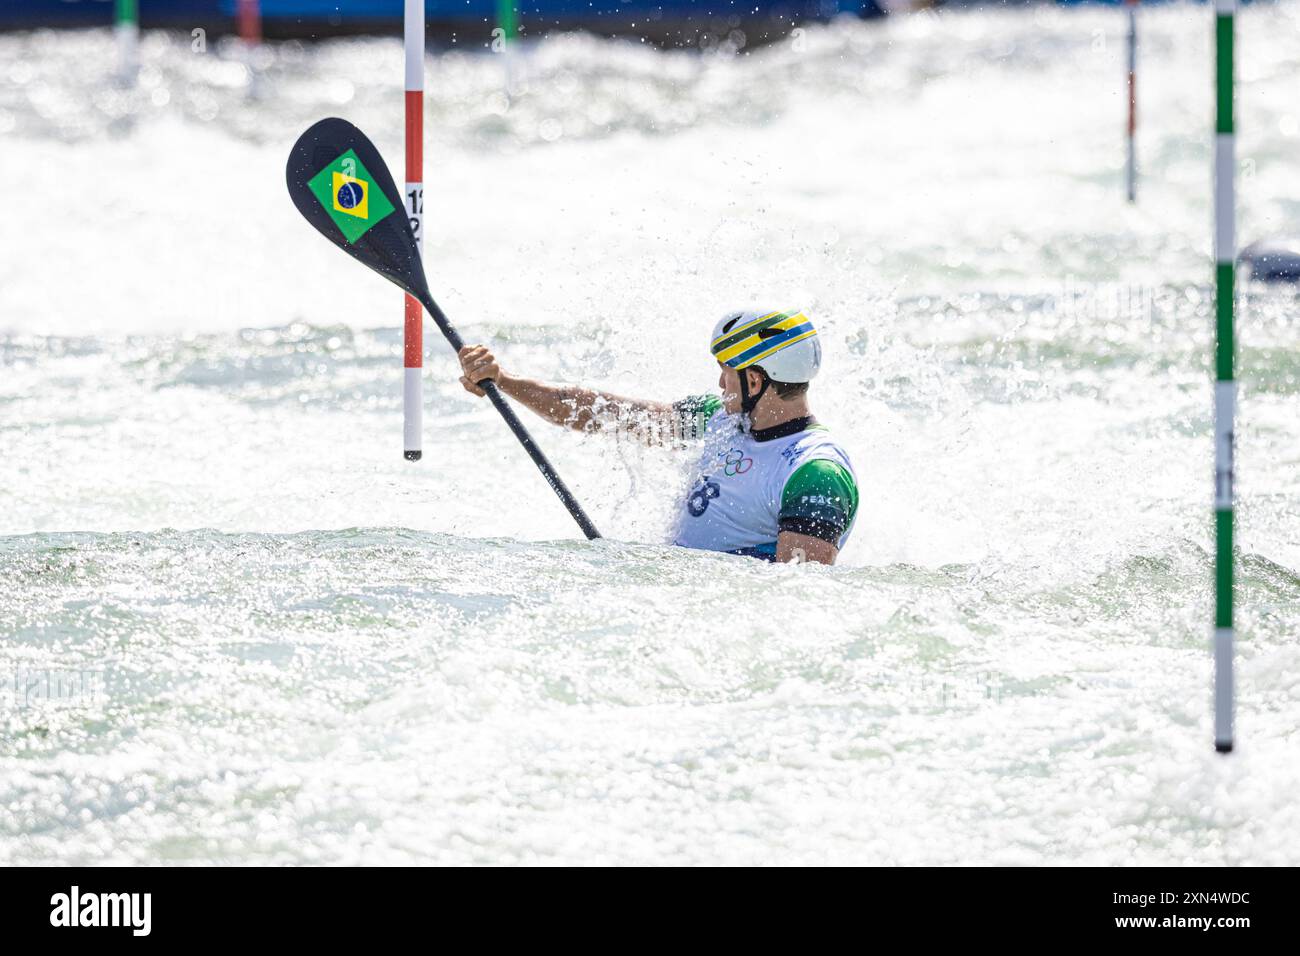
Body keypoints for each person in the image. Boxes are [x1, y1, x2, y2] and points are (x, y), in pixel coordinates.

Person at [457, 309, 859, 565]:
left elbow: (799, 598)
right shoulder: (717, 420)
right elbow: (602, 413)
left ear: (754, 379)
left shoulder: (814, 473)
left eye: (726, 370)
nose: (720, 382)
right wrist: (505, 382)